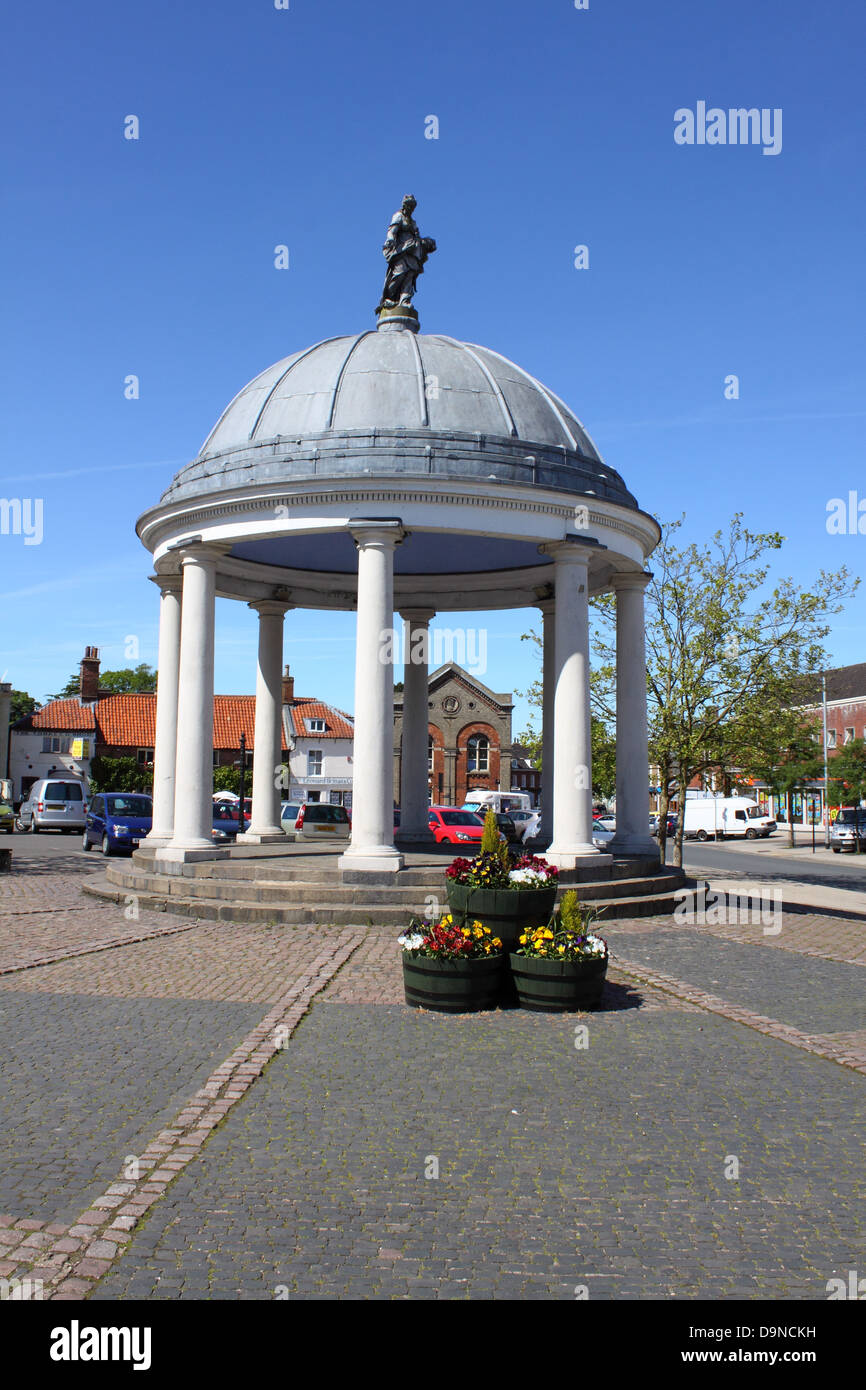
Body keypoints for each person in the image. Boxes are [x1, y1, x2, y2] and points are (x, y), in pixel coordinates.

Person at [378, 195, 436, 310]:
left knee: (410, 275)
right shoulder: (398, 216)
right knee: (399, 274)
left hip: (413, 252)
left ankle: (404, 300)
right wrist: (390, 240)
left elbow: (417, 236)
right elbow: (392, 231)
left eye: (412, 206)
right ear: (405, 205)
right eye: (409, 206)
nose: (410, 208)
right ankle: (389, 298)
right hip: (401, 250)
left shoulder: (413, 222)